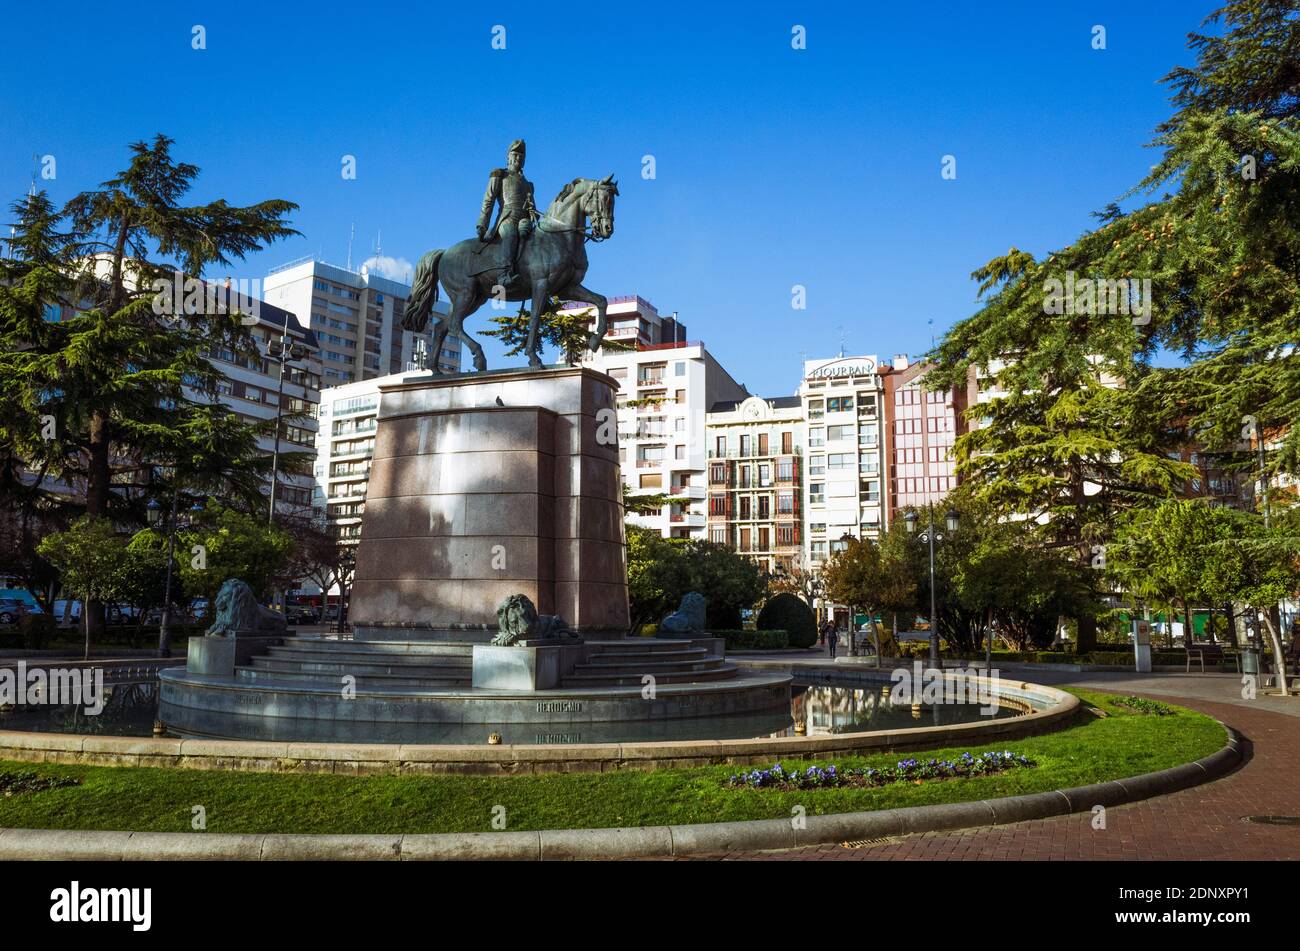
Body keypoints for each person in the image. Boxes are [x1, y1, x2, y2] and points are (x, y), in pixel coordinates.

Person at [477, 139, 538, 288]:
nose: (518, 158)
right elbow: (488, 200)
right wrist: (482, 224)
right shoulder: (499, 175)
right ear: (508, 157)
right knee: (511, 234)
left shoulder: (528, 184)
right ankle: (504, 275)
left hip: (523, 219)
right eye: (515, 154)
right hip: (507, 217)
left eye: (521, 156)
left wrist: (532, 216)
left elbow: (535, 212)